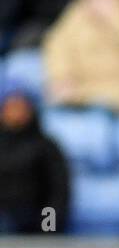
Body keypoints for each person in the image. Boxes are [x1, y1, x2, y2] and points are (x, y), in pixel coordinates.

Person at [0, 88, 69, 235]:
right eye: (10, 107)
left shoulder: (46, 147)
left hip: (33, 223)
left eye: (20, 107)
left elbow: (57, 193)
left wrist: (47, 229)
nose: (15, 114)